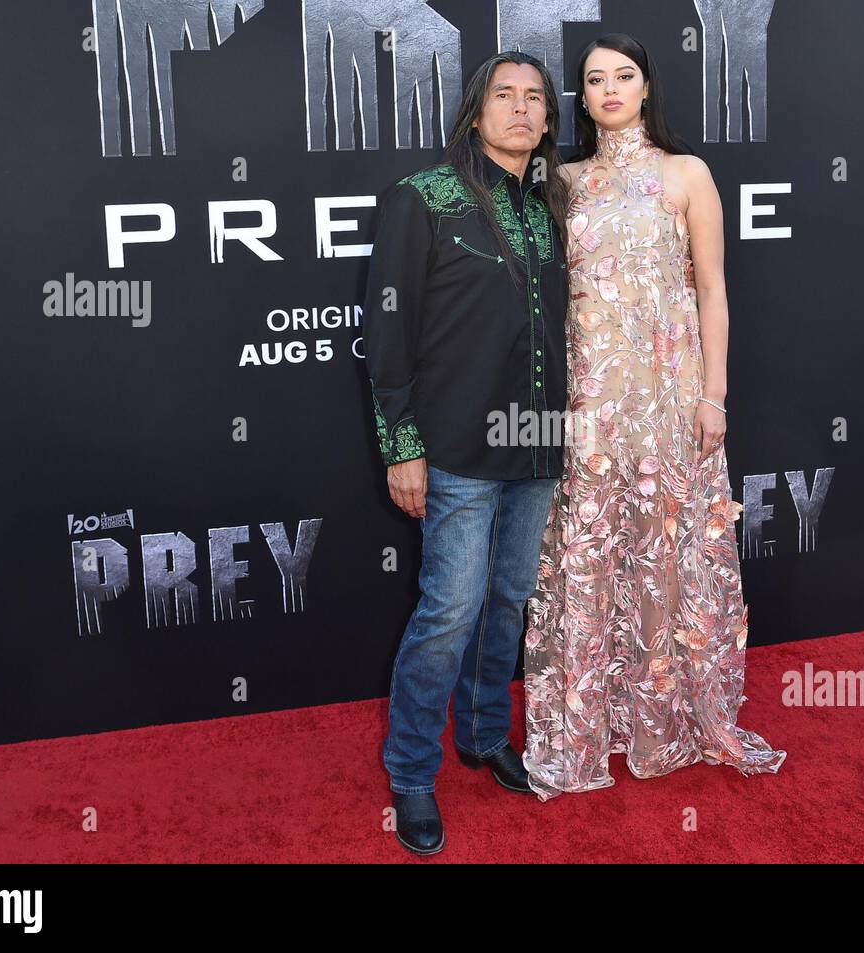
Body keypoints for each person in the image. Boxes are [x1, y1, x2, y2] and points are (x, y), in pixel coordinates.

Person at [522, 34, 787, 800]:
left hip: (671, 396)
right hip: (588, 405)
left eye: (623, 76)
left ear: (646, 87)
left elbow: (712, 292)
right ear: (581, 96)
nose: (608, 90)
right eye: (594, 80)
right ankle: (587, 720)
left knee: (667, 550)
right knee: (590, 553)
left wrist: (714, 396)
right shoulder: (562, 182)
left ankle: (663, 716)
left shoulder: (686, 173)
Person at [363, 51, 572, 853]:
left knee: (509, 599)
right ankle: (412, 772)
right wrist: (402, 444)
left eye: (535, 100)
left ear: (549, 120)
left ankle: (484, 734)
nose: (521, 110)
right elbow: (388, 332)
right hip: (453, 446)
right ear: (476, 112)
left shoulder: (551, 206)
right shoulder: (425, 198)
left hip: (540, 447)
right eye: (504, 97)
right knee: (449, 608)